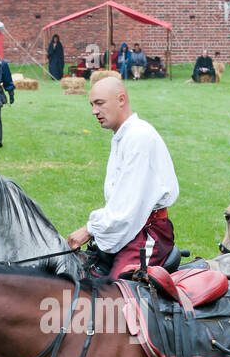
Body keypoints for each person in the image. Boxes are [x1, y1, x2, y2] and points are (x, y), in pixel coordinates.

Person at [65, 77, 177, 279]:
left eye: (100, 103)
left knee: (114, 295)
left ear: (121, 99)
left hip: (148, 234)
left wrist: (89, 230)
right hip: (132, 227)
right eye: (92, 105)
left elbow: (127, 208)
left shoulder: (138, 137)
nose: (94, 111)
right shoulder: (123, 136)